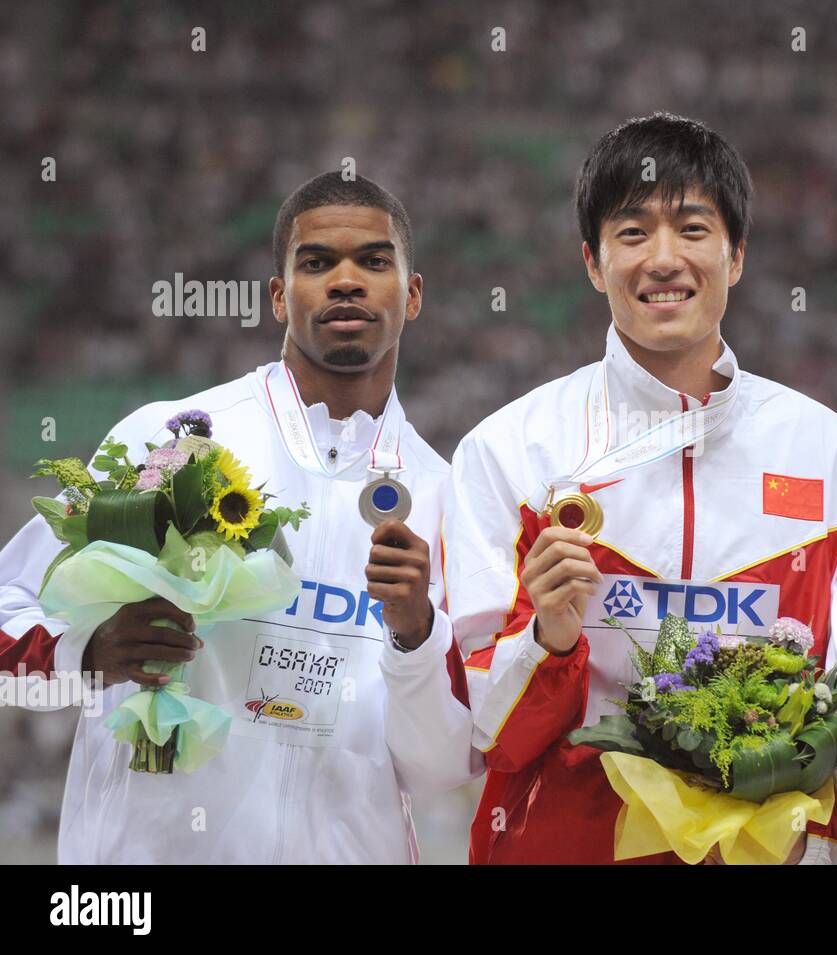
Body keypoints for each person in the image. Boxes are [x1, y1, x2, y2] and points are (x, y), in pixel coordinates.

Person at [443, 113, 837, 864]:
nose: (663, 259)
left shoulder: (831, 454)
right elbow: (484, 734)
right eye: (631, 234)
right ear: (592, 262)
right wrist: (547, 641)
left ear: (737, 255)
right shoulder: (510, 451)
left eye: (692, 229)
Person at [0, 173, 480, 863]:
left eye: (374, 261)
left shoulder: (448, 497)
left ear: (413, 293)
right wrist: (88, 653)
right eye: (317, 263)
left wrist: (416, 636)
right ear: (280, 296)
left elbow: (441, 768)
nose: (346, 280)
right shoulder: (169, 442)